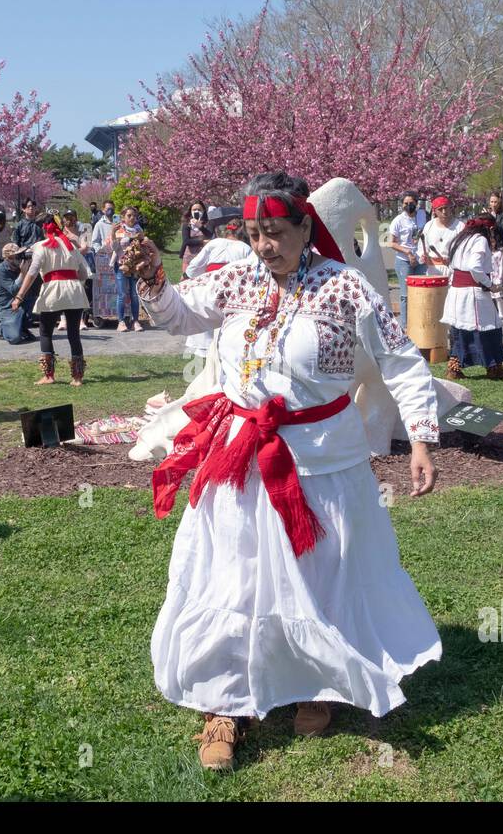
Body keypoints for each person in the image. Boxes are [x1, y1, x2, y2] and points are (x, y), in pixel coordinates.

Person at [122, 171, 441, 772]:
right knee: (232, 573)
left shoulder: (344, 287)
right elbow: (180, 315)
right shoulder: (238, 279)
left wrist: (422, 436)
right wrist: (153, 279)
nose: (264, 245)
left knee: (321, 571)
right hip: (242, 455)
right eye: (254, 233)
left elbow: (399, 358)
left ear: (304, 228)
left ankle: (316, 682)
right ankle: (223, 704)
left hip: (324, 460)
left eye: (275, 233)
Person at [13, 213, 91, 385]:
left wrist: (19, 296)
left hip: (53, 290)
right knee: (73, 334)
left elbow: (32, 273)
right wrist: (75, 284)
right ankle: (77, 377)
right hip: (74, 289)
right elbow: (84, 272)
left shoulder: (41, 246)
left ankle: (49, 375)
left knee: (46, 331)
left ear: (42, 228)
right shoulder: (70, 245)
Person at [442, 215, 503, 380]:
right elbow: (474, 266)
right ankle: (493, 367)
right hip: (472, 292)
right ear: (489, 229)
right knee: (490, 328)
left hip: (457, 291)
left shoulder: (460, 238)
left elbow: (449, 261)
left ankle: (455, 368)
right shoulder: (479, 240)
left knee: (460, 330)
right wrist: (489, 284)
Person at [181, 221, 252, 356]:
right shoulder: (245, 248)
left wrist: (189, 275)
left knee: (208, 312)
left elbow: (196, 265)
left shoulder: (214, 243)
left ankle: (206, 348)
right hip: (233, 287)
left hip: (213, 283)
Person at [387, 190, 425, 330]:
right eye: (406, 203)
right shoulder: (398, 220)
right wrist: (408, 252)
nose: (409, 205)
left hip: (420, 259)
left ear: (416, 203)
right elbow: (391, 243)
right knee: (406, 295)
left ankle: (420, 322)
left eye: (411, 203)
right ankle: (405, 325)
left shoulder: (422, 216)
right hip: (404, 261)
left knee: (422, 291)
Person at [106, 206, 146, 331]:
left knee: (134, 294)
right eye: (129, 215)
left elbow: (143, 245)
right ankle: (121, 321)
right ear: (123, 217)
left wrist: (141, 238)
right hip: (122, 265)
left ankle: (135, 321)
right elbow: (114, 248)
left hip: (135, 265)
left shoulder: (138, 229)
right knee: (122, 294)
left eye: (134, 215)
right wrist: (113, 233)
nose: (132, 218)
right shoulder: (120, 229)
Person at [11, 198, 44, 331]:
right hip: (25, 259)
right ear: (24, 209)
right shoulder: (20, 225)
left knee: (39, 289)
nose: (31, 208)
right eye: (29, 206)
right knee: (27, 289)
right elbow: (15, 244)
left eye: (33, 206)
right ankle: (26, 319)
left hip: (40, 258)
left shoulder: (40, 224)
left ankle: (39, 316)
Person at [0, 243, 36, 343]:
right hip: (7, 307)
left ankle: (21, 327)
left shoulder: (23, 264)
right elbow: (13, 290)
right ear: (9, 258)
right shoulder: (1, 270)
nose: (20, 258)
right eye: (17, 256)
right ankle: (4, 328)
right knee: (14, 338)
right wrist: (22, 273)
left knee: (37, 302)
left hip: (23, 303)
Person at [420, 196, 461, 276]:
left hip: (452, 269)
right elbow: (422, 247)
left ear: (451, 208)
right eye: (440, 209)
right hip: (433, 269)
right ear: (434, 211)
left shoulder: (459, 226)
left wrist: (453, 258)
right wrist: (423, 256)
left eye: (446, 208)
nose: (444, 211)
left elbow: (464, 249)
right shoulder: (429, 225)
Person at [180, 201, 213, 271]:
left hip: (203, 258)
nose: (196, 211)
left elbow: (210, 235)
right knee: (187, 280)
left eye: (199, 209)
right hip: (189, 257)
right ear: (190, 211)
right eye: (194, 210)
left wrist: (200, 226)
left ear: (203, 211)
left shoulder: (208, 223)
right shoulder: (187, 223)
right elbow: (186, 241)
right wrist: (202, 242)